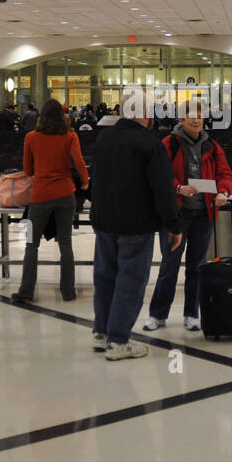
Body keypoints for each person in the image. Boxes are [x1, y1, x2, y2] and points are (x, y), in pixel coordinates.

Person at [89, 99, 182, 360]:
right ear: (145, 116)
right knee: (131, 280)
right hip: (136, 224)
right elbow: (163, 190)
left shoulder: (104, 139)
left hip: (105, 222)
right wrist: (174, 224)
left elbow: (95, 179)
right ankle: (118, 340)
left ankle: (101, 332)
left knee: (105, 276)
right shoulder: (150, 144)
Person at [144, 104, 232, 332]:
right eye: (191, 117)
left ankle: (192, 313)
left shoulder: (212, 146)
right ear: (181, 121)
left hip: (204, 216)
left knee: (196, 267)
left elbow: (225, 174)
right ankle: (157, 314)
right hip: (176, 216)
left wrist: (223, 191)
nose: (196, 121)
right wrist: (177, 188)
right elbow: (157, 174)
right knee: (169, 265)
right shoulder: (169, 144)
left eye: (199, 117)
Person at [12, 100, 89, 303]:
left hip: (40, 196)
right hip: (65, 194)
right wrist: (86, 182)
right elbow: (79, 162)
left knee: (31, 244)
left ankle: (26, 290)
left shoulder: (31, 137)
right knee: (65, 243)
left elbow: (28, 170)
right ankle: (68, 291)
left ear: (41, 115)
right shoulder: (70, 136)